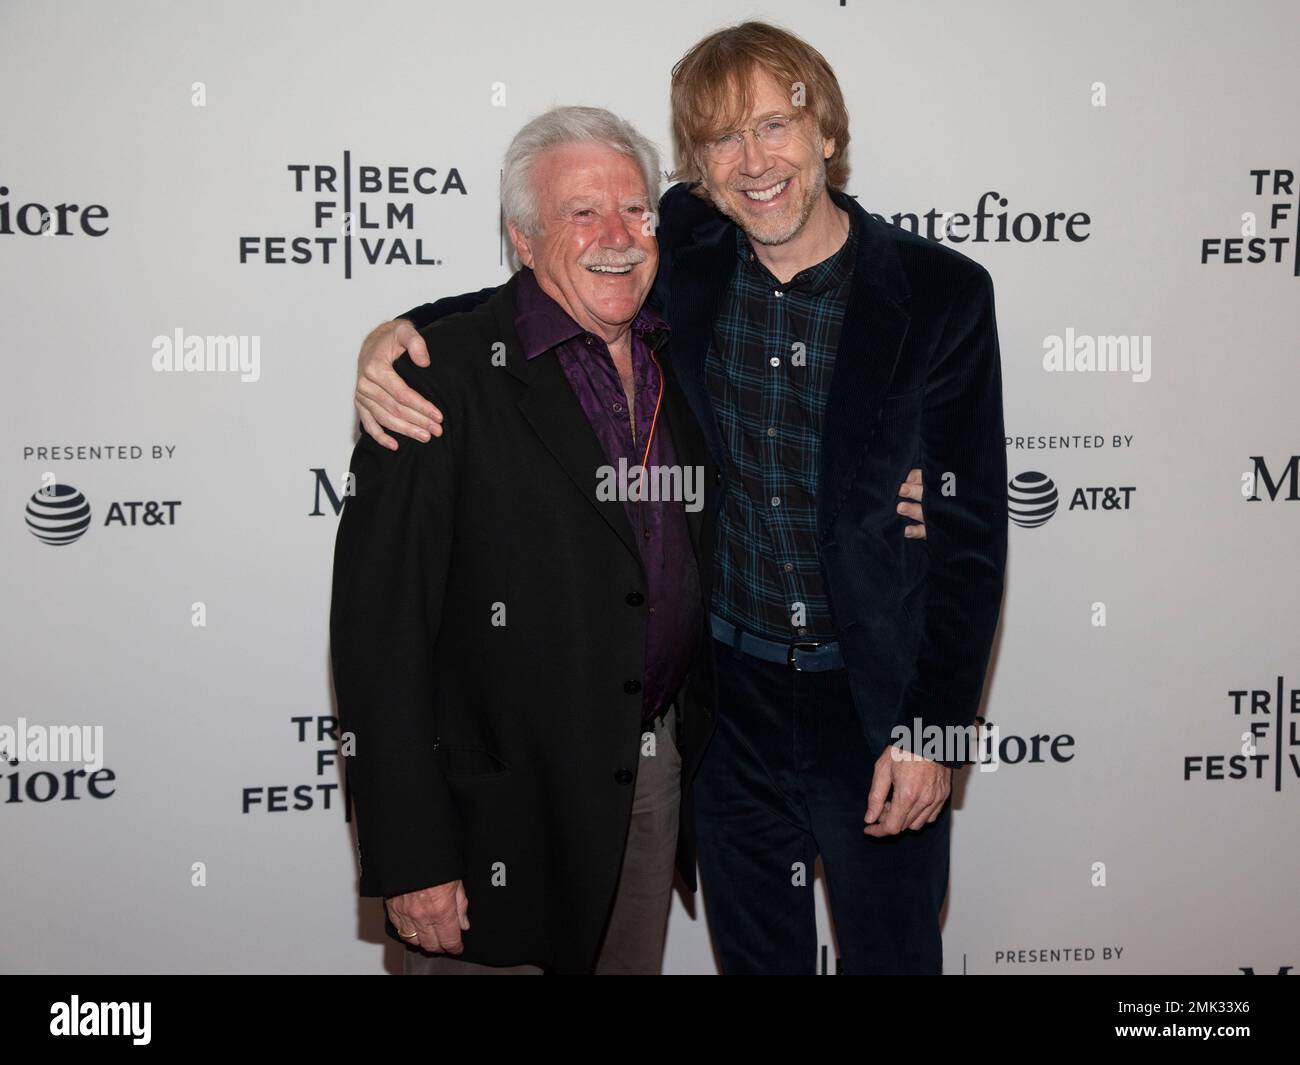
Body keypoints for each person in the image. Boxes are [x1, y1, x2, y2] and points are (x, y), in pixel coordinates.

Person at [351, 20, 1004, 975]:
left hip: (872, 707)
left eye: (775, 125)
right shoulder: (685, 245)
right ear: (696, 168)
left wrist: (932, 728)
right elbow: (552, 276)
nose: (754, 161)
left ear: (827, 130)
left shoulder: (943, 294)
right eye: (722, 139)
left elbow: (972, 536)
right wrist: (400, 331)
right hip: (725, 707)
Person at [331, 106, 715, 974]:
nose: (617, 236)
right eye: (583, 214)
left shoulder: (673, 357)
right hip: (492, 810)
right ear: (523, 237)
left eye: (635, 210)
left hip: (647, 780)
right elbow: (377, 633)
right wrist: (412, 855)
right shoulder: (438, 377)